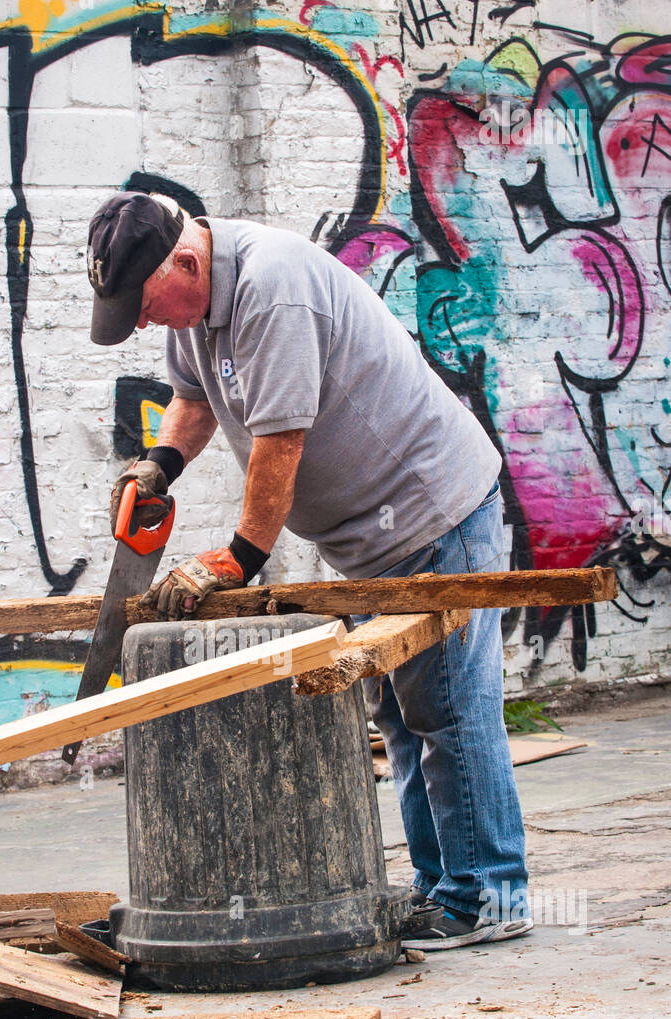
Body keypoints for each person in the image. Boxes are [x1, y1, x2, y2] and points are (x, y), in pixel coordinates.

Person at [86, 190, 531, 948]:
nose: (147, 322)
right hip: (367, 542)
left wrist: (240, 558)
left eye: (148, 305)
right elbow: (193, 399)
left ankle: (486, 896)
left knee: (448, 713)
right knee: (402, 716)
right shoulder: (197, 308)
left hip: (433, 514)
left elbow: (280, 442)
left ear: (187, 261)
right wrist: (159, 465)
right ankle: (440, 889)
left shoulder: (273, 286)